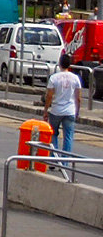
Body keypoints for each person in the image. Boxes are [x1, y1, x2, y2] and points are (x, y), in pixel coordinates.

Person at [44, 52, 83, 180]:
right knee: (68, 137)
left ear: (60, 64)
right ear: (70, 65)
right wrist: (77, 111)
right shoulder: (75, 78)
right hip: (70, 111)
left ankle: (54, 160)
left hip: (56, 110)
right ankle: (65, 163)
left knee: (53, 134)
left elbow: (49, 96)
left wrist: (46, 110)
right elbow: (78, 98)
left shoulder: (54, 78)